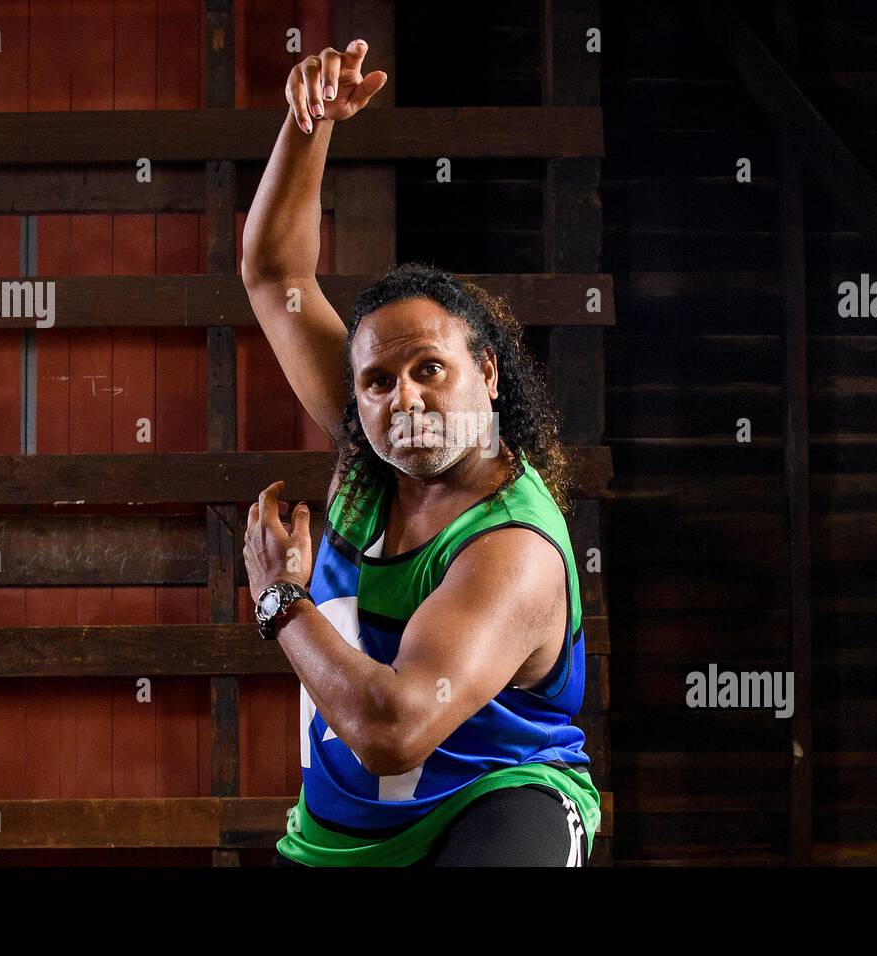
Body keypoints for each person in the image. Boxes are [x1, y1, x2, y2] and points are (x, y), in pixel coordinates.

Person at [240, 38, 600, 867]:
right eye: (377, 381)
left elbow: (394, 730)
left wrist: (281, 603)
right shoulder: (379, 446)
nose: (404, 398)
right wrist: (309, 125)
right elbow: (271, 272)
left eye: (429, 369)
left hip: (495, 805)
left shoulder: (513, 548)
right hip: (342, 837)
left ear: (486, 372)